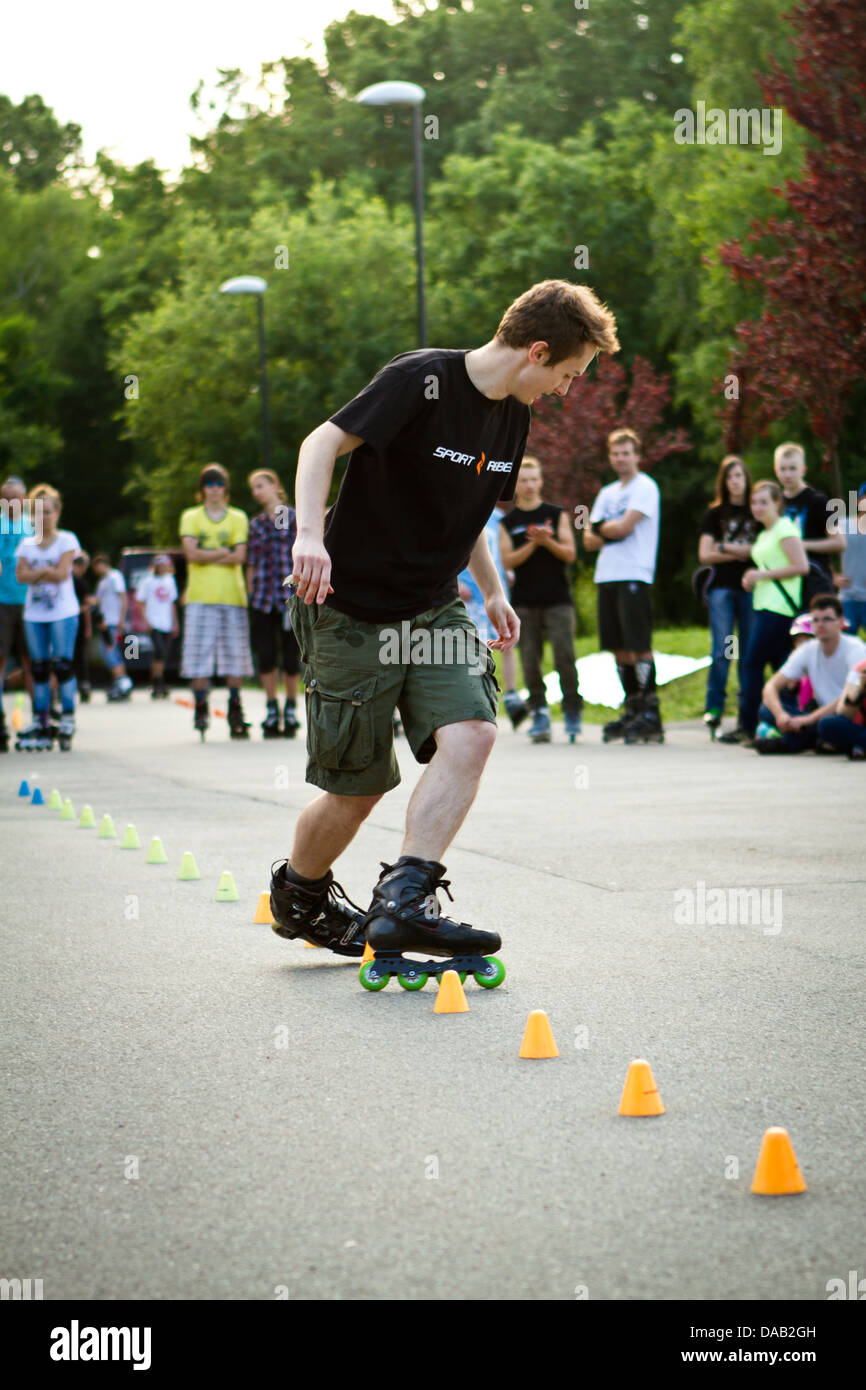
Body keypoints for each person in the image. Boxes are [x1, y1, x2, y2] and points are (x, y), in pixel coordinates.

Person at [269, 279, 620, 965]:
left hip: (434, 606)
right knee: (358, 788)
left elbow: (472, 515)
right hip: (347, 606)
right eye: (568, 376)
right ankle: (300, 893)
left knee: (474, 734)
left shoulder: (513, 417)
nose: (564, 392)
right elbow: (319, 444)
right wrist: (309, 535)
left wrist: (491, 591)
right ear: (537, 352)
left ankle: (405, 897)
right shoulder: (420, 380)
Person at [584, 428, 662, 743]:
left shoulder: (646, 487)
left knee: (638, 643)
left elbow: (624, 528)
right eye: (615, 453)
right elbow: (589, 540)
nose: (620, 458)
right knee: (618, 648)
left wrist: (602, 528)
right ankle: (632, 707)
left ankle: (650, 713)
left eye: (626, 452)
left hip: (634, 573)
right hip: (607, 575)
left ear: (637, 455)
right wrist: (605, 529)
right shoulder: (606, 493)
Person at [499, 455, 582, 742]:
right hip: (523, 602)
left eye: (534, 479)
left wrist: (549, 542)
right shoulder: (508, 522)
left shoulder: (557, 515)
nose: (529, 485)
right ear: (516, 484)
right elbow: (507, 561)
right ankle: (539, 713)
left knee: (564, 655)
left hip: (558, 599)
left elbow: (570, 554)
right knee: (530, 660)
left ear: (541, 481)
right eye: (523, 480)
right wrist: (534, 544)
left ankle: (572, 709)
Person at [722, 480, 809, 745]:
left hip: (778, 609)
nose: (757, 508)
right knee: (784, 668)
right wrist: (753, 578)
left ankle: (749, 725)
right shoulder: (764, 534)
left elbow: (801, 566)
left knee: (751, 664)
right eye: (754, 503)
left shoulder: (785, 528)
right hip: (763, 606)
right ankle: (786, 720)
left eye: (764, 502)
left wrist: (762, 575)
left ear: (777, 504)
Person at [179, 463, 253, 739]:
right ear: (202, 489)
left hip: (232, 597)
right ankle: (200, 705)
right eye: (209, 484)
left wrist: (207, 552)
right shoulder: (191, 516)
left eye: (218, 483)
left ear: (226, 488)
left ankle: (236, 708)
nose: (214, 489)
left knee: (235, 657)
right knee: (198, 656)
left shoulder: (237, 517)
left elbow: (240, 556)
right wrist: (223, 551)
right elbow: (191, 554)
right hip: (200, 596)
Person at [754, 594, 866, 754]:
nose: (820, 625)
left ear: (841, 622)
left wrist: (809, 719)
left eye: (827, 619)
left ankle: (792, 742)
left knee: (828, 725)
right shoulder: (808, 649)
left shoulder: (856, 649)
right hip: (817, 717)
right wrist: (781, 715)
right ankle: (815, 741)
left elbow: (847, 701)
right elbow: (771, 686)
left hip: (845, 716)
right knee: (766, 709)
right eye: (815, 620)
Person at [14, 484, 80, 750]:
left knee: (62, 666)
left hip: (63, 612)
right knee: (38, 668)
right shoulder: (26, 544)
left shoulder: (67, 540)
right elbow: (20, 576)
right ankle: (41, 719)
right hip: (35, 613)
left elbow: (62, 574)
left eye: (49, 512)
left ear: (57, 513)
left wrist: (36, 573)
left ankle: (67, 716)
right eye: (39, 513)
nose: (44, 517)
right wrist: (46, 571)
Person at [697, 456, 758, 738]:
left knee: (747, 651)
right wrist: (739, 550)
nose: (736, 481)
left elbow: (758, 551)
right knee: (722, 650)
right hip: (721, 589)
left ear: (747, 479)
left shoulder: (756, 510)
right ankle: (714, 709)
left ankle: (747, 711)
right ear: (724, 481)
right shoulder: (714, 514)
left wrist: (725, 546)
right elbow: (705, 554)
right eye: (730, 477)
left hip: (749, 588)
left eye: (740, 476)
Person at [458, 505, 527, 729]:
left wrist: (507, 573)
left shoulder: (498, 518)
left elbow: (499, 550)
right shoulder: (460, 506)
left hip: (493, 587)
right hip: (467, 588)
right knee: (472, 643)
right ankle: (473, 694)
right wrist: (454, 581)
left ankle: (512, 694)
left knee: (505, 636)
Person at [246, 469, 301, 738]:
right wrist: (249, 595)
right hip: (263, 598)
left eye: (260, 486)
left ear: (274, 485)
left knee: (292, 656)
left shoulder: (292, 517)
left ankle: (290, 706)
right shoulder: (256, 524)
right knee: (266, 656)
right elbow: (252, 564)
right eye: (253, 488)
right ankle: (271, 706)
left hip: (291, 598)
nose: (256, 492)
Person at [774, 442, 845, 602]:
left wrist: (801, 545)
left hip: (815, 581)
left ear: (803, 470)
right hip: (784, 583)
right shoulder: (774, 504)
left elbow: (839, 543)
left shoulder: (820, 501)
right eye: (783, 469)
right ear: (776, 471)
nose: (787, 474)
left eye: (793, 468)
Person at [0, 475, 34, 751]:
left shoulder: (32, 526)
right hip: (2, 602)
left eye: (15, 498)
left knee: (32, 662)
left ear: (23, 500)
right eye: (6, 498)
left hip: (29, 603)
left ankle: (40, 719)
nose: (11, 503)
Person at [135, 554, 179, 699]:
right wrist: (145, 621)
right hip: (154, 621)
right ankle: (158, 681)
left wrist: (175, 622)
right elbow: (140, 602)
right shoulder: (148, 581)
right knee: (159, 651)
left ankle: (157, 680)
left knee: (161, 654)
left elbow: (172, 603)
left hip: (166, 622)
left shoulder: (170, 580)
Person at [91, 553, 133, 702]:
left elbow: (123, 597)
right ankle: (119, 682)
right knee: (110, 653)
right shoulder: (103, 582)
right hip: (105, 622)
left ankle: (124, 683)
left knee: (111, 653)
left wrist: (122, 619)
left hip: (113, 622)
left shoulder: (115, 576)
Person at [817, 656, 866, 759]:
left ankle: (860, 747)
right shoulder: (860, 669)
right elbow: (844, 713)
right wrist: (861, 688)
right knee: (828, 724)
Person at [836, 482, 866, 637]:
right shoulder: (843, 525)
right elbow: (821, 553)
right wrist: (832, 576)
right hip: (848, 598)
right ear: (858, 501)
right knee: (845, 644)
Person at [71, 552, 93, 702]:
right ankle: (80, 683)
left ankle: (82, 684)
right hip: (74, 621)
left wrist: (88, 627)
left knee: (78, 655)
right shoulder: (78, 581)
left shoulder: (78, 581)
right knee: (76, 656)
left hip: (77, 623)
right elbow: (87, 605)